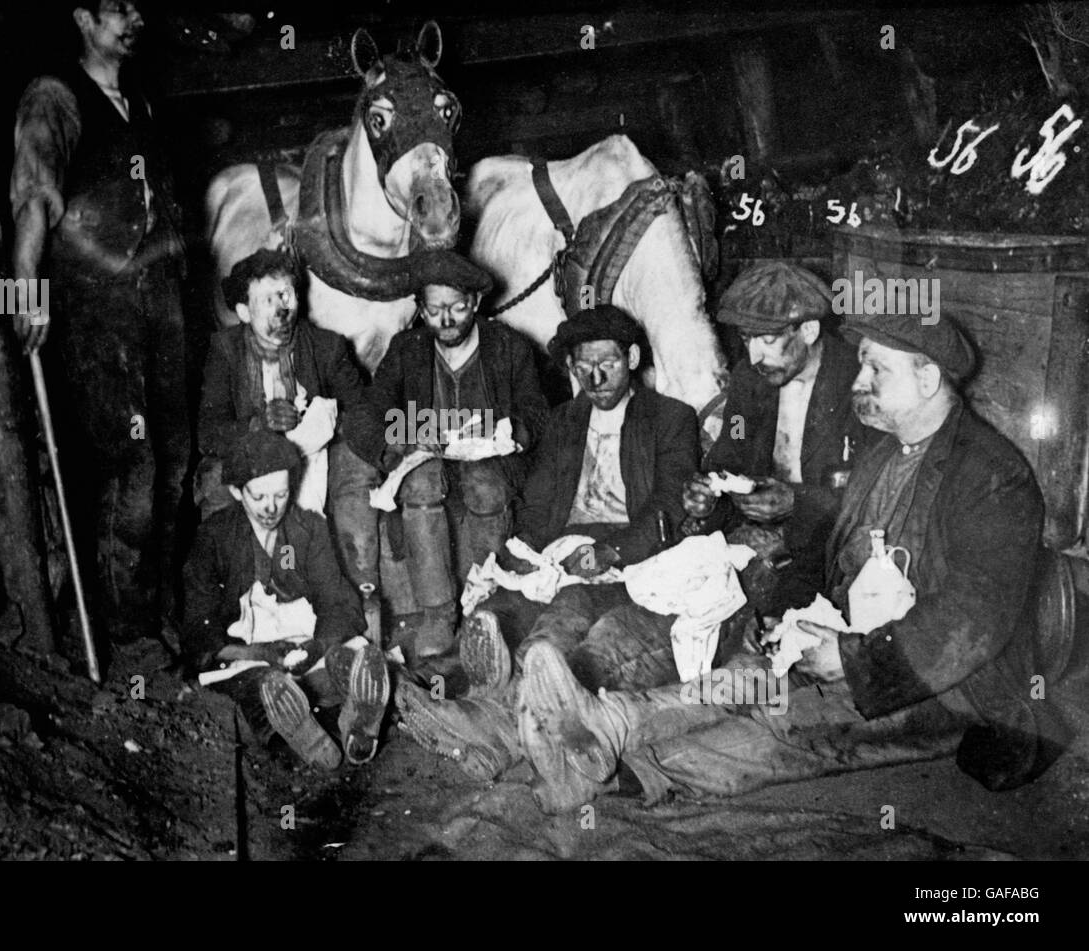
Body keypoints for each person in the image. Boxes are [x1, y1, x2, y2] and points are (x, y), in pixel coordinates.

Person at [515, 313, 1074, 814]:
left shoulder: (990, 475)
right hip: (859, 639)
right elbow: (840, 549)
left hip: (943, 684)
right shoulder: (887, 451)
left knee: (782, 725)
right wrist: (788, 619)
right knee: (743, 681)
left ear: (927, 380)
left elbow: (972, 620)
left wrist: (853, 659)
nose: (858, 383)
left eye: (876, 370)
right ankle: (600, 731)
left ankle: (605, 762)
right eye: (860, 367)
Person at [395, 305, 704, 782]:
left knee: (561, 621)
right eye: (583, 366)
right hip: (563, 549)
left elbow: (668, 505)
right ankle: (423, 686)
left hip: (629, 558)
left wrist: (613, 551)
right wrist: (517, 556)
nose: (596, 376)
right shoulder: (564, 422)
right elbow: (539, 504)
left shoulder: (669, 418)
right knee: (497, 614)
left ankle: (483, 720)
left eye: (609, 363)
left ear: (634, 357)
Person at [10, 1, 189, 644]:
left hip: (159, 300)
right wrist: (27, 290)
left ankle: (164, 616)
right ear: (82, 17)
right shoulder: (55, 97)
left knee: (175, 461)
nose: (136, 16)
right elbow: (34, 196)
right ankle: (131, 635)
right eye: (118, 7)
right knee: (133, 466)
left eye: (141, 5)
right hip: (96, 308)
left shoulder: (140, 103)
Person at [361, 250, 548, 663]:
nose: (446, 321)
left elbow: (539, 413)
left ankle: (484, 606)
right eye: (433, 310)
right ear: (419, 310)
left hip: (491, 464)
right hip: (431, 464)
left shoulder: (508, 347)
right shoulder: (407, 349)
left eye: (458, 308)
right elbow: (367, 416)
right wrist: (404, 434)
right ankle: (438, 615)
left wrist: (514, 431)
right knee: (421, 480)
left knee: (483, 484)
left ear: (477, 303)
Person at [182, 430, 390, 769]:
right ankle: (303, 736)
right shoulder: (214, 538)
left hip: (305, 648)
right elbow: (197, 624)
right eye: (259, 496)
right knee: (261, 685)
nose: (271, 507)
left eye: (280, 495)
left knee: (352, 655)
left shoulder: (307, 528)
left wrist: (318, 645)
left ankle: (356, 724)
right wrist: (256, 652)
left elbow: (338, 602)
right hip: (248, 653)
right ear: (236, 491)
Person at [683, 262, 872, 614]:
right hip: (756, 537)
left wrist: (799, 501)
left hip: (828, 547)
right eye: (745, 338)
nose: (754, 356)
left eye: (767, 340)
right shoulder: (749, 379)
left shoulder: (859, 382)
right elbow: (732, 447)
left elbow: (875, 494)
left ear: (809, 330)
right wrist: (707, 491)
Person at [195, 249, 380, 607]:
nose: (283, 309)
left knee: (357, 470)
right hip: (253, 468)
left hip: (316, 460)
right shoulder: (225, 350)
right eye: (268, 300)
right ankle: (238, 610)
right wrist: (258, 423)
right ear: (244, 312)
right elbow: (208, 433)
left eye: (287, 295)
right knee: (214, 482)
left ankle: (356, 605)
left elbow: (363, 412)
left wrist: (322, 420)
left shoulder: (326, 347)